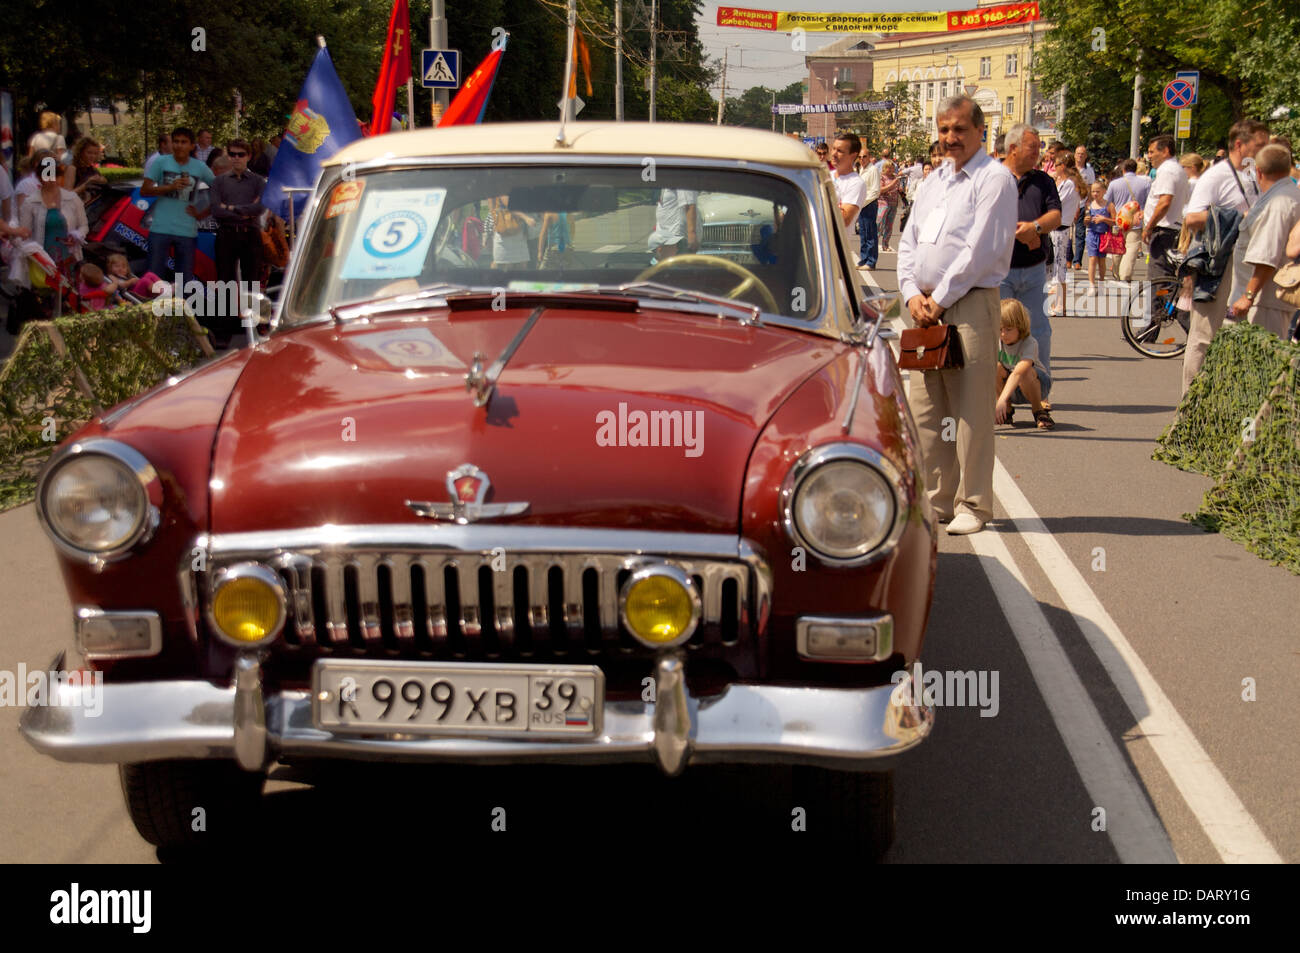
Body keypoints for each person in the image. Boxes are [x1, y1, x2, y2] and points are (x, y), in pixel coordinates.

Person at [898, 94, 1017, 536]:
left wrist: (940, 298)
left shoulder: (994, 179)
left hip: (967, 304)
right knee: (928, 411)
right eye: (944, 129)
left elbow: (980, 250)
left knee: (969, 410)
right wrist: (911, 293)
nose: (951, 138)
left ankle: (975, 504)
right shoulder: (933, 181)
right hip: (923, 309)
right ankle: (936, 501)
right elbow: (908, 242)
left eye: (960, 129)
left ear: (979, 131)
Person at [1179, 119, 1269, 394]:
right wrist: (1240, 217)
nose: (1264, 150)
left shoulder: (1252, 174)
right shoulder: (1217, 176)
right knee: (1203, 337)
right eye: (1260, 145)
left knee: (1239, 333)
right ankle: (1190, 409)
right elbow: (1192, 217)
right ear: (1240, 145)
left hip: (1247, 260)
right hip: (1220, 264)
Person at [1000, 122, 1062, 391]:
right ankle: (1002, 392)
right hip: (999, 270)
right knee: (1000, 333)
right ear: (1013, 148)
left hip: (1034, 269)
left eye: (1039, 147)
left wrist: (1035, 227)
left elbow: (1056, 216)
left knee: (1039, 330)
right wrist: (1018, 231)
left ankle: (1041, 389)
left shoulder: (1043, 180)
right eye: (1033, 147)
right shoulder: (993, 177)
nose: (1039, 152)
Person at [1224, 144, 1300, 339]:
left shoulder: (1278, 202)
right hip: (1267, 297)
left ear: (1258, 171)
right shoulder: (1287, 194)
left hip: (1264, 299)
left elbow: (1267, 256)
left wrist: (1248, 296)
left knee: (1262, 361)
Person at [141, 127, 214, 291]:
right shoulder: (161, 162)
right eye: (176, 142)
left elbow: (218, 190)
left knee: (184, 282)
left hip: (187, 230)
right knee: (153, 279)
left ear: (191, 146)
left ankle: (181, 315)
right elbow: (144, 190)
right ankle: (154, 314)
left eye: (183, 142)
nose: (179, 146)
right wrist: (169, 187)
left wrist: (203, 213)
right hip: (160, 228)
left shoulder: (200, 167)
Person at [996, 299, 1054, 429]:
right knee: (994, 367)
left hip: (1037, 384)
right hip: (1012, 388)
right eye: (1000, 329)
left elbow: (1018, 373)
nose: (1003, 334)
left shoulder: (1029, 343)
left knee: (1025, 371)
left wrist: (1001, 400)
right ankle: (1006, 411)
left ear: (1020, 326)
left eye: (1009, 329)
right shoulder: (996, 341)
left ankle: (1038, 411)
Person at [1141, 135, 1189, 280]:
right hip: (1171, 228)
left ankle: (1160, 303)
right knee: (1165, 277)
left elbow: (1165, 202)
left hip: (1163, 231)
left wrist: (1149, 226)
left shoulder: (1167, 170)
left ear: (1165, 151)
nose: (1149, 156)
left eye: (1152, 152)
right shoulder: (1175, 169)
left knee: (1159, 278)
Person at [1103, 158, 1152, 280]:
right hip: (1136, 222)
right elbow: (1149, 202)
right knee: (1131, 248)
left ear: (1123, 169)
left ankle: (1116, 271)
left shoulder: (1114, 184)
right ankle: (1125, 274)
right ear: (1135, 169)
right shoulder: (1145, 184)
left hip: (1118, 220)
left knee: (1117, 247)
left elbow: (1106, 201)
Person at [1049, 154, 1084, 316]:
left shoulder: (1069, 184)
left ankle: (1059, 305)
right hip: (1057, 228)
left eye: (1056, 165)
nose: (1054, 168)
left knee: (1058, 265)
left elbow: (1055, 202)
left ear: (1063, 166)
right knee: (1056, 265)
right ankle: (1058, 304)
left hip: (1060, 228)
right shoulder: (1067, 183)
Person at [647, 188, 698, 262]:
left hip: (677, 238)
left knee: (678, 270)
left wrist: (691, 233)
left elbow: (689, 205)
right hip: (667, 238)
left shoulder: (681, 178)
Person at [1083, 181, 1115, 294]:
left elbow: (1115, 222)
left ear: (1104, 191)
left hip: (1104, 236)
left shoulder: (1109, 205)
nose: (1095, 194)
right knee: (1092, 259)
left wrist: (1104, 219)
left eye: (1098, 191)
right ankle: (1091, 285)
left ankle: (1101, 283)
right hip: (1092, 234)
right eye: (1093, 191)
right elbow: (1086, 220)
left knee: (1102, 261)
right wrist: (1086, 220)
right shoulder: (1089, 205)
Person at [829, 134, 865, 234]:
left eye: (840, 151)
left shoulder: (856, 183)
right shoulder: (825, 176)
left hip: (833, 246)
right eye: (833, 148)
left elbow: (843, 220)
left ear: (853, 155)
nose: (834, 154)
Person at [857, 141, 881, 268]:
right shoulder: (861, 169)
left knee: (870, 233)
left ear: (869, 157)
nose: (862, 159)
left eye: (864, 157)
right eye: (860, 157)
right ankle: (864, 259)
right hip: (861, 205)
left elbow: (875, 191)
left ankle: (871, 261)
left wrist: (863, 202)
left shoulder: (873, 170)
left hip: (869, 204)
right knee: (863, 233)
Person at [66, 137, 107, 204]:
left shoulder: (93, 169)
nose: (92, 156)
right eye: (89, 153)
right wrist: (87, 184)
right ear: (80, 152)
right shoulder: (72, 168)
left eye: (95, 153)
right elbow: (67, 195)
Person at [877, 159, 901, 252]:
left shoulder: (895, 177)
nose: (890, 170)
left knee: (889, 225)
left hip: (893, 203)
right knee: (880, 223)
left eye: (892, 168)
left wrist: (900, 189)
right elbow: (881, 190)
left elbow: (898, 188)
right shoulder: (882, 177)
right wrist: (892, 184)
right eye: (887, 168)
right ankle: (874, 242)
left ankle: (885, 244)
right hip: (883, 203)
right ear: (884, 168)